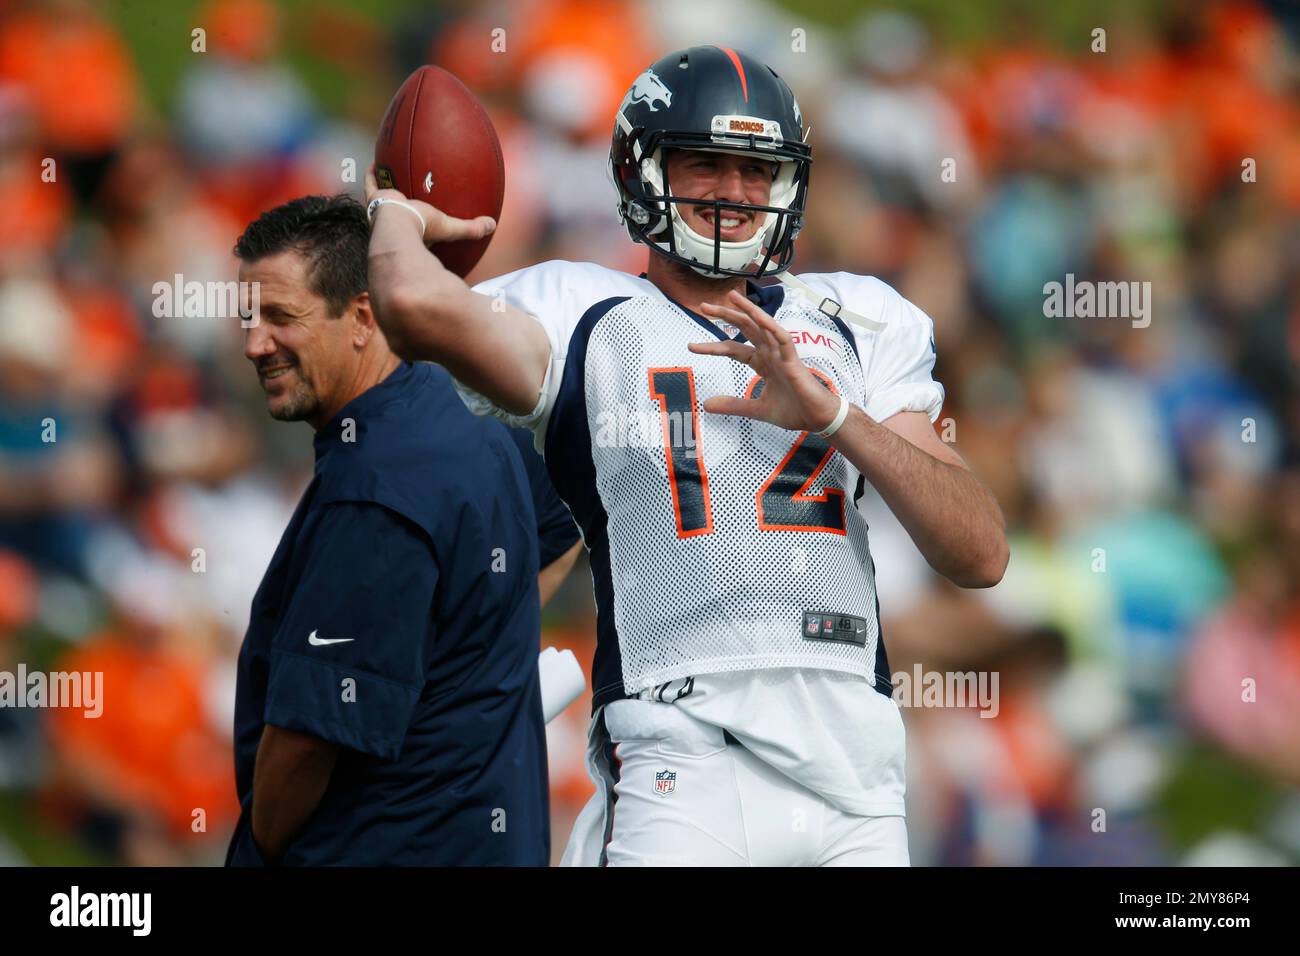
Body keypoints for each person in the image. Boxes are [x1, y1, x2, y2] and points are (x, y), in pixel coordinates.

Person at [363, 46, 1008, 866]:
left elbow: (981, 554)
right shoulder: (580, 311)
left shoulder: (857, 319)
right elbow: (409, 303)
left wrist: (839, 417)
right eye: (704, 164)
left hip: (854, 772)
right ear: (640, 172)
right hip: (680, 752)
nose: (733, 192)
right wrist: (395, 212)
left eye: (756, 169)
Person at [225, 194, 578, 866]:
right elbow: (565, 522)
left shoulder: (374, 494)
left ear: (363, 316)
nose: (254, 343)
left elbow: (307, 740)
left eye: (280, 318)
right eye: (249, 317)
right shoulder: (466, 410)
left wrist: (261, 848)